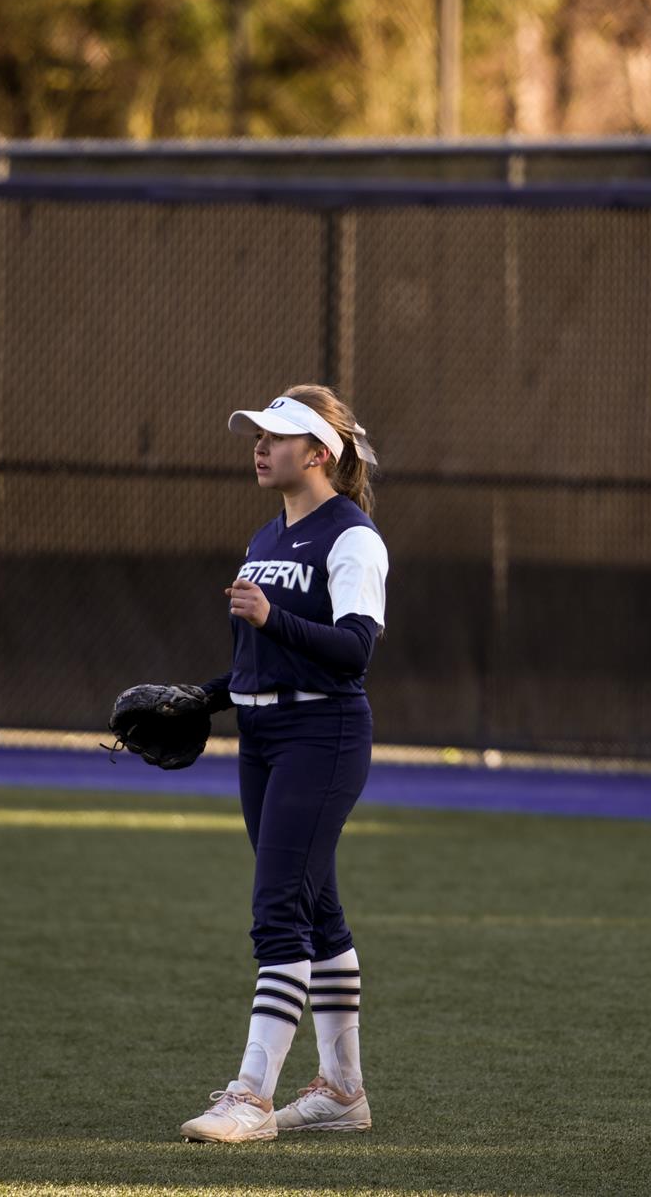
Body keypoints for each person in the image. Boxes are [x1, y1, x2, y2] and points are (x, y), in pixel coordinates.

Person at [179, 384, 389, 1144]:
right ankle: (341, 1090)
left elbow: (355, 649)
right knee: (316, 910)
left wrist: (275, 615)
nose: (260, 446)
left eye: (276, 434)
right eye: (257, 435)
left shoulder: (352, 536)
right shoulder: (265, 539)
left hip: (321, 736)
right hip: (263, 741)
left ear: (320, 452)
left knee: (278, 911)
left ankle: (252, 1095)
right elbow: (256, 662)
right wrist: (197, 701)